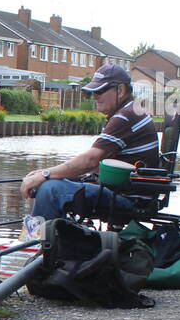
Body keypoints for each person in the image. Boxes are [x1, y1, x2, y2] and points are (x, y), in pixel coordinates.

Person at [18, 64, 161, 220]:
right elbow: (94, 165)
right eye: (93, 92)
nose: (95, 97)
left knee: (51, 189)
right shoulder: (131, 111)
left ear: (120, 90)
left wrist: (45, 174)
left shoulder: (125, 116)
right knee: (53, 181)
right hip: (129, 193)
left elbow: (90, 160)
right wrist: (47, 173)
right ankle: (57, 237)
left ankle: (39, 240)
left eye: (100, 91)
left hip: (129, 199)